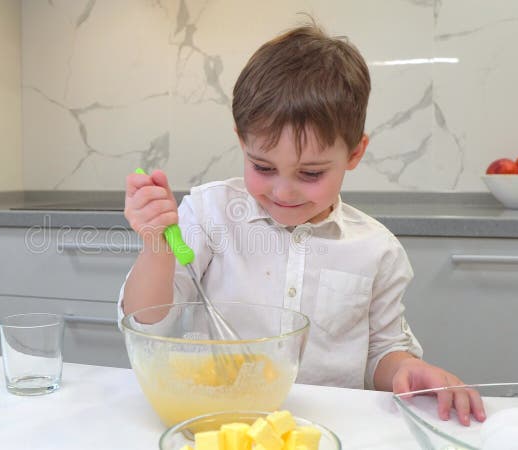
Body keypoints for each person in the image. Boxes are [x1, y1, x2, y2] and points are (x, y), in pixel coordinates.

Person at [120, 23, 485, 425]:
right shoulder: (210, 213)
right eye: (262, 166)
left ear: (355, 152)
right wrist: (156, 244)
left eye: (310, 173)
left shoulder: (376, 249)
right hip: (222, 422)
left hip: (328, 428)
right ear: (242, 141)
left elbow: (382, 352)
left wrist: (403, 369)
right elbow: (148, 322)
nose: (284, 191)